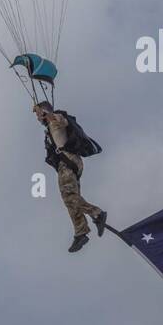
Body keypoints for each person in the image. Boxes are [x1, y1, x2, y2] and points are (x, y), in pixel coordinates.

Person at [33, 102, 107, 252]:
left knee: (69, 196)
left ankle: (97, 213)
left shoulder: (57, 119)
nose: (37, 118)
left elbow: (60, 120)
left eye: (38, 114)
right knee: (69, 199)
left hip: (69, 161)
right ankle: (81, 231)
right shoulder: (49, 129)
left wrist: (46, 113)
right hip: (66, 163)